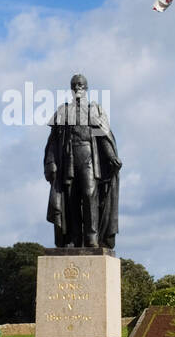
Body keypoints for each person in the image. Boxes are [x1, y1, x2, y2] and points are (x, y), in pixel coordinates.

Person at [44, 74, 120, 248]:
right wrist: (51, 162)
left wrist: (111, 156)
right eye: (74, 85)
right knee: (71, 197)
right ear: (71, 89)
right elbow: (54, 141)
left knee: (89, 194)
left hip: (89, 156)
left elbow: (103, 137)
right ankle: (74, 238)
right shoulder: (63, 110)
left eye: (81, 84)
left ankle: (92, 237)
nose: (77, 87)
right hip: (68, 158)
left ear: (86, 88)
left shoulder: (95, 110)